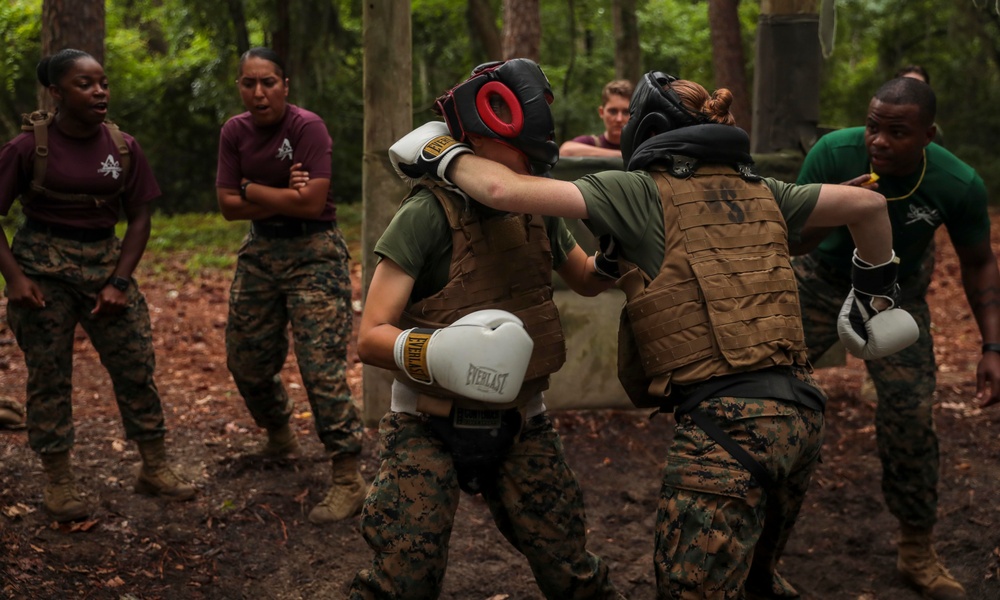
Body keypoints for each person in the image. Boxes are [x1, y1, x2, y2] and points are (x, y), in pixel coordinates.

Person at [390, 70, 914, 599]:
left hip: (724, 430)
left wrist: (443, 152)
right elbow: (869, 206)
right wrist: (875, 297)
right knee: (755, 576)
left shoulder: (638, 190)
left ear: (645, 130)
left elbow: (502, 190)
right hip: (800, 419)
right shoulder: (763, 189)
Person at [349, 59, 623, 599]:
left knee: (573, 573)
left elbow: (585, 280)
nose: (530, 162)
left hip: (523, 422)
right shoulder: (426, 213)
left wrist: (616, 251)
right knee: (401, 583)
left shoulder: (537, 206)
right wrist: (442, 353)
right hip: (427, 423)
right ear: (477, 135)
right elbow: (370, 334)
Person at [791, 76, 1000, 600]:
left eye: (896, 131)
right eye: (872, 126)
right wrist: (835, 207)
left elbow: (978, 264)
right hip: (820, 282)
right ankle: (755, 546)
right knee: (763, 395)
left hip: (894, 296)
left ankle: (916, 551)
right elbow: (790, 239)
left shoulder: (958, 183)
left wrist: (992, 347)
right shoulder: (832, 153)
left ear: (929, 134)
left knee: (909, 415)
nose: (878, 140)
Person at [0, 48, 196, 522]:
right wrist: (15, 278)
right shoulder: (27, 148)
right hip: (42, 273)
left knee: (135, 366)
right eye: (85, 84)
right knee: (49, 377)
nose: (99, 91)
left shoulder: (123, 146)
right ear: (56, 92)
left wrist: (120, 281)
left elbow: (141, 217)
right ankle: (59, 481)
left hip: (106, 268)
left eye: (103, 83)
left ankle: (154, 466)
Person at [215, 47, 364, 525]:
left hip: (314, 253)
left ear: (285, 85)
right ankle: (279, 432)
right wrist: (282, 195)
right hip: (260, 253)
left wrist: (254, 189)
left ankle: (347, 476)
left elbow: (312, 203)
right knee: (246, 359)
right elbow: (226, 206)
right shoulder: (234, 131)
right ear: (239, 86)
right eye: (248, 83)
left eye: (268, 82)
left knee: (321, 368)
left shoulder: (307, 127)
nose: (258, 92)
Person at [558, 79, 633, 158]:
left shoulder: (640, 147)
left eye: (626, 112)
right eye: (613, 111)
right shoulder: (591, 143)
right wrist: (621, 155)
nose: (619, 119)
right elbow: (565, 151)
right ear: (601, 112)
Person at [895, 64, 945, 146]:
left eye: (919, 87)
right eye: (907, 85)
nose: (912, 92)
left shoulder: (931, 132)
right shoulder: (879, 120)